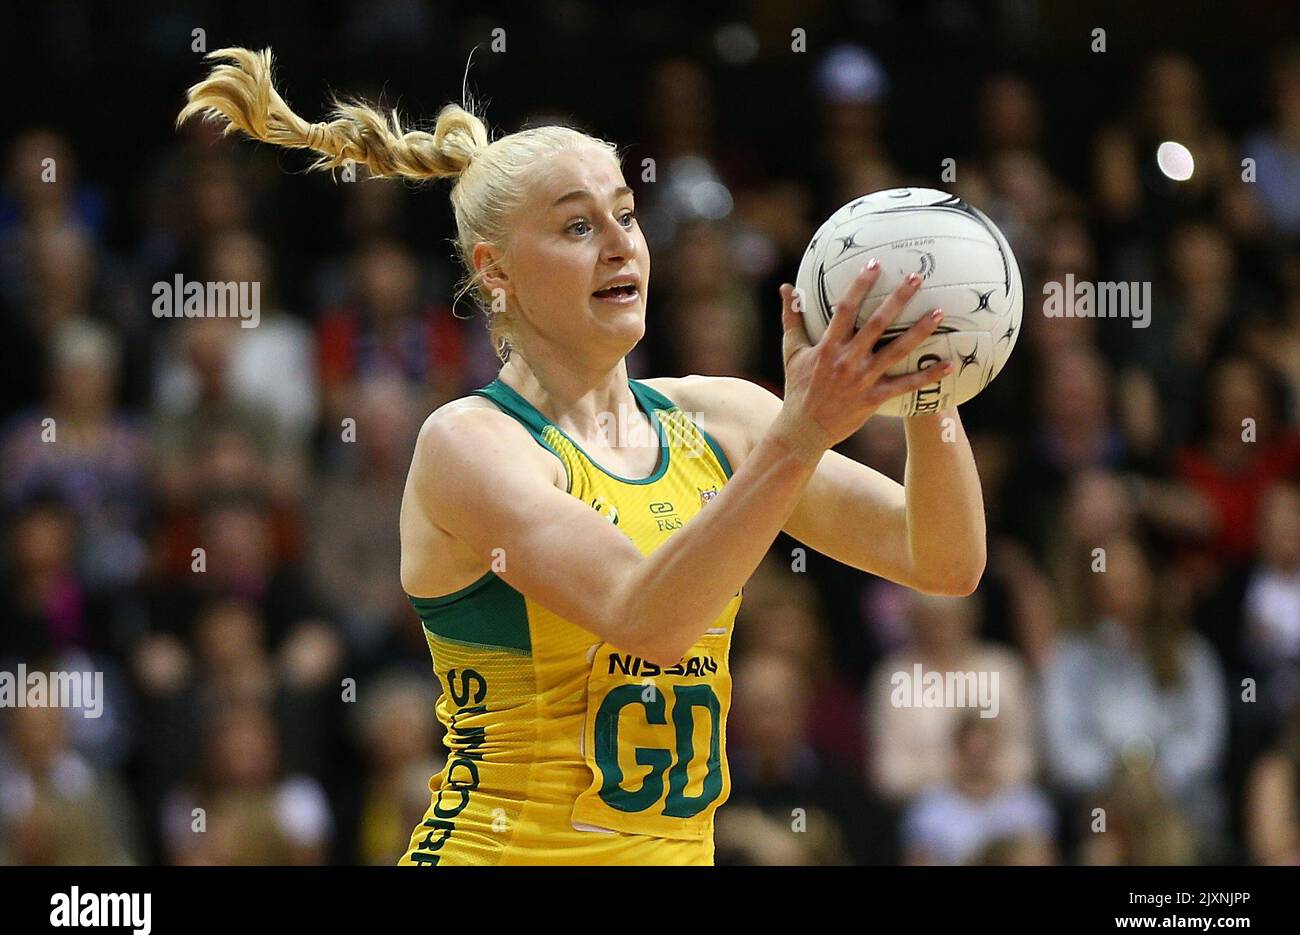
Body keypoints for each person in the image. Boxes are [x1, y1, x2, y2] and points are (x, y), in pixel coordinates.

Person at [177, 47, 987, 865]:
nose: (619, 244)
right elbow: (648, 621)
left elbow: (942, 557)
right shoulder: (470, 443)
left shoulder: (726, 418)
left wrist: (927, 389)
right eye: (577, 225)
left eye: (626, 215)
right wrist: (801, 437)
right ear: (496, 271)